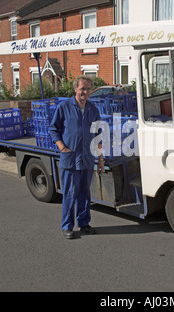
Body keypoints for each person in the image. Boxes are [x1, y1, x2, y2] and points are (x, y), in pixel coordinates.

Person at [49, 75, 105, 239]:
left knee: (84, 194)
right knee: (69, 194)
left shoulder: (93, 109)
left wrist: (101, 160)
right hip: (70, 159)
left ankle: (84, 223)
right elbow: (53, 128)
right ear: (75, 89)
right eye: (82, 89)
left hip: (87, 159)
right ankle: (67, 226)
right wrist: (61, 146)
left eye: (88, 89)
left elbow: (98, 136)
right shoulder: (64, 107)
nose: (85, 92)